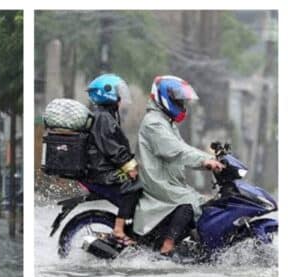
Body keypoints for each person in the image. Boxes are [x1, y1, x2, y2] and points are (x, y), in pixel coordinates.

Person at [134, 75, 224, 257]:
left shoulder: (166, 122)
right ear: (164, 98)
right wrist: (205, 161)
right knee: (189, 203)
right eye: (178, 101)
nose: (182, 105)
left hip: (168, 178)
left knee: (200, 201)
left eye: (183, 101)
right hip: (157, 179)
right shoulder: (154, 123)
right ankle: (167, 246)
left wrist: (210, 158)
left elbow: (183, 148)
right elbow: (176, 151)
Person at [85, 73, 142, 246]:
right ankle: (118, 230)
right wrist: (130, 167)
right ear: (107, 94)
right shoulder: (103, 117)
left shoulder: (106, 116)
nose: (121, 98)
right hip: (102, 172)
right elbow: (113, 148)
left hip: (104, 169)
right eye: (118, 93)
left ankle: (131, 228)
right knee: (134, 185)